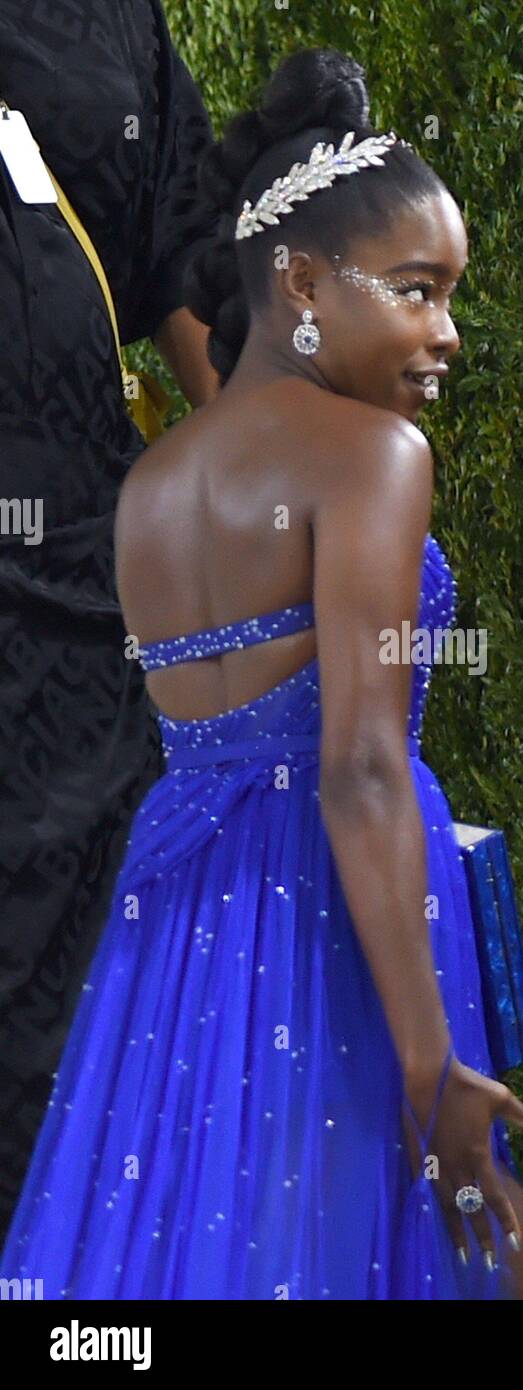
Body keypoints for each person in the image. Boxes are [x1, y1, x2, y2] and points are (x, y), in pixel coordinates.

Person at [0, 47, 523, 1300]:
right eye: (419, 290)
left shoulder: (155, 483)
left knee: (199, 1256)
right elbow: (360, 767)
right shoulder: (372, 456)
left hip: (180, 932)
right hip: (334, 913)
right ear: (304, 282)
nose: (446, 332)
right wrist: (429, 1061)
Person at [0, 0, 220, 1245]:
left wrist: (283, 472)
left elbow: (182, 256)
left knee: (88, 1031)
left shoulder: (104, 21)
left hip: (87, 610)